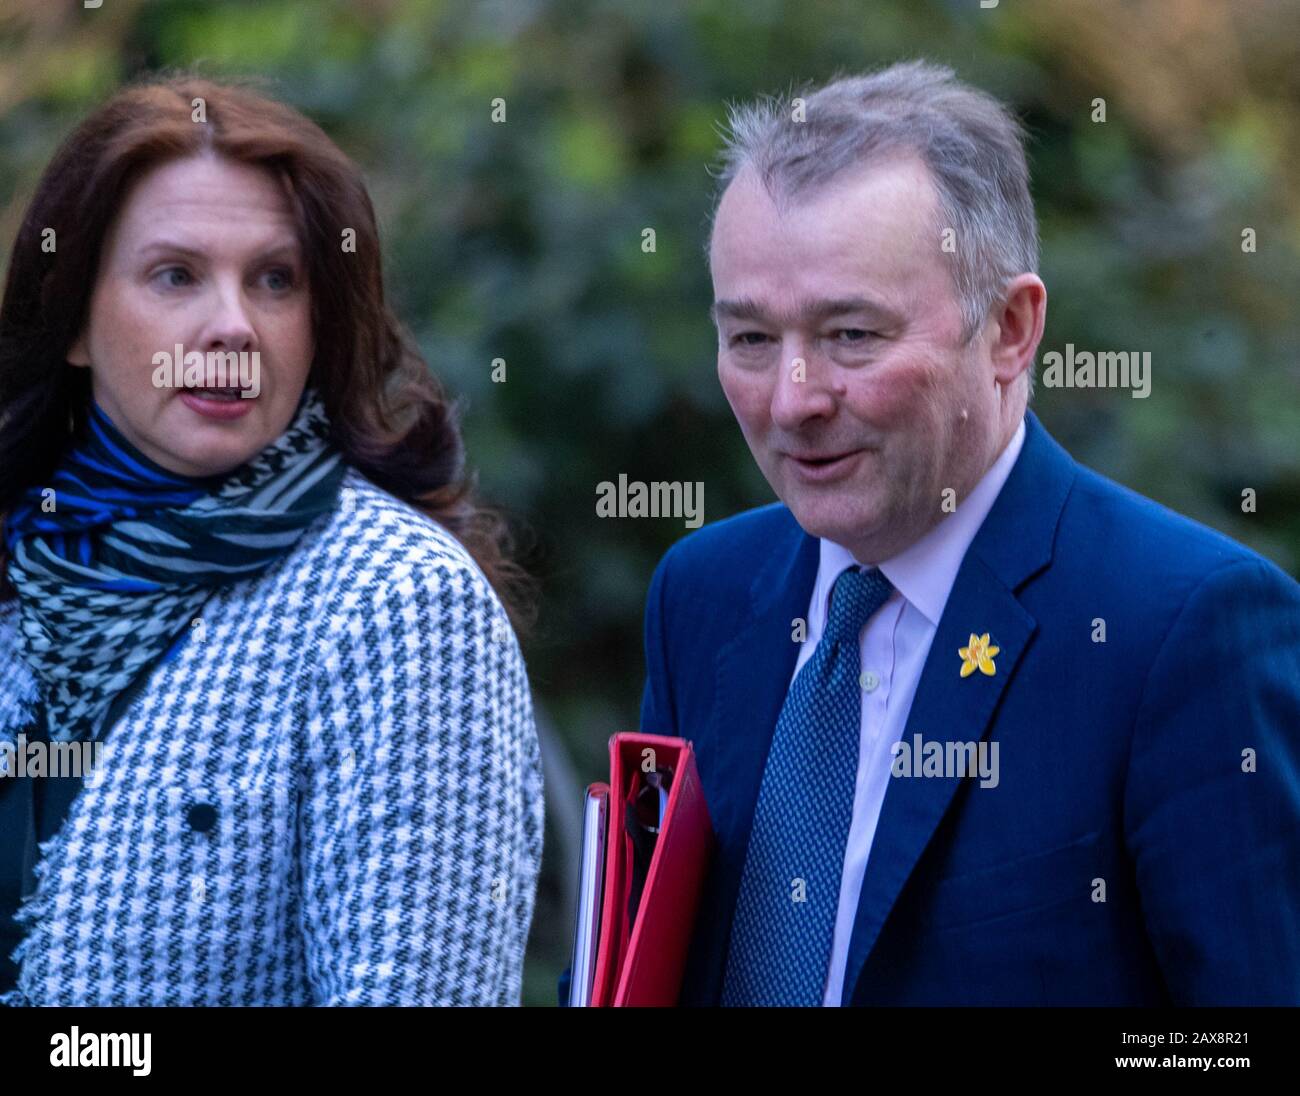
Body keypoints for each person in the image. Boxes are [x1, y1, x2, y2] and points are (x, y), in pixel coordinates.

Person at [639, 60, 1300, 1006]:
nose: (793, 399)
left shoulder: (1186, 631)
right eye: (750, 339)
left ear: (1010, 329)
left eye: (851, 335)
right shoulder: (701, 594)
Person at [0, 77, 542, 1005]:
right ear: (76, 319)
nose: (233, 327)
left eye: (275, 280)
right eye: (175, 275)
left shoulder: (397, 606)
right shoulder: (23, 568)